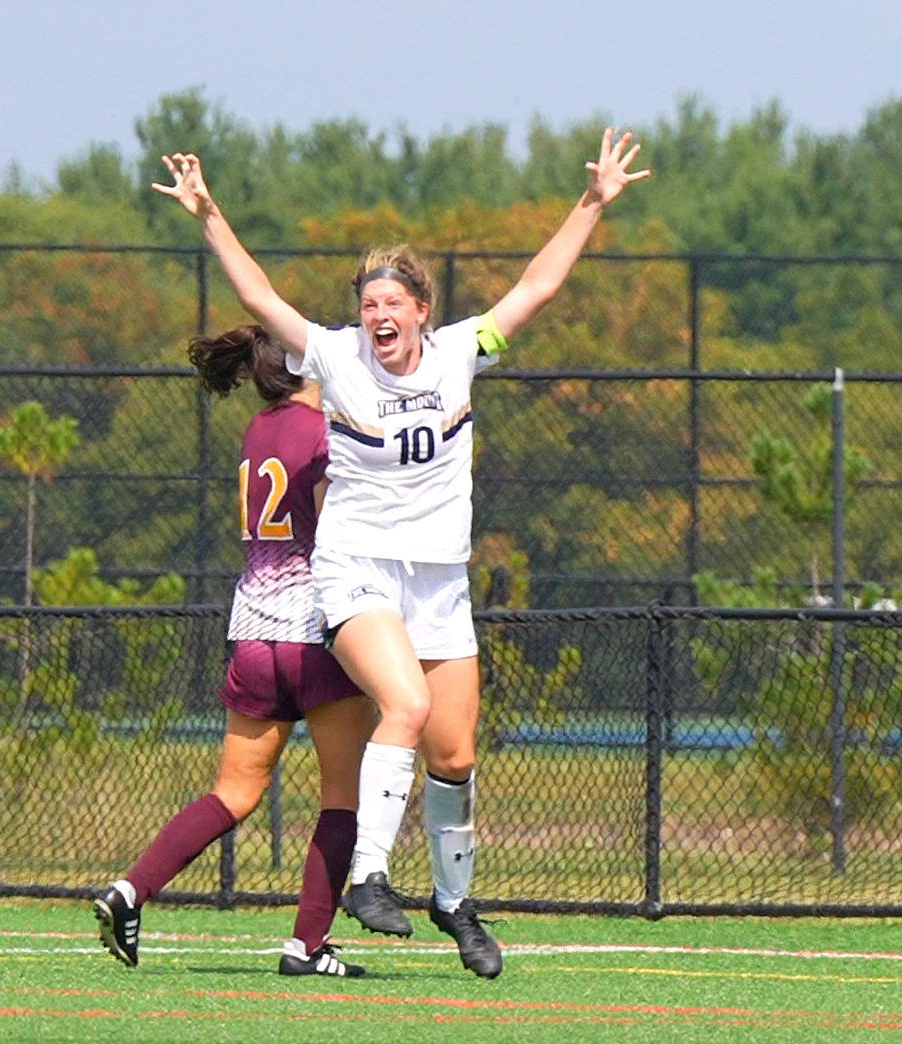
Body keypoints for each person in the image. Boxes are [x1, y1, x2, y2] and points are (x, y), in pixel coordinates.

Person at [153, 129, 650, 979]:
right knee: (406, 707)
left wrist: (592, 203)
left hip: (438, 583)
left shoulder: (462, 351)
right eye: (368, 303)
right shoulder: (339, 358)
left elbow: (536, 286)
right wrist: (210, 216)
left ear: (421, 308)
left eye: (394, 303)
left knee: (455, 754)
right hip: (356, 571)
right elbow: (263, 297)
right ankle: (368, 875)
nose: (378, 316)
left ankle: (454, 900)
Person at [94, 325, 377, 978]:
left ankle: (130, 890)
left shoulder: (258, 431)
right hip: (315, 627)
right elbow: (337, 528)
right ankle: (306, 945)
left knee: (233, 791)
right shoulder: (323, 434)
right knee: (344, 797)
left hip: (253, 626)